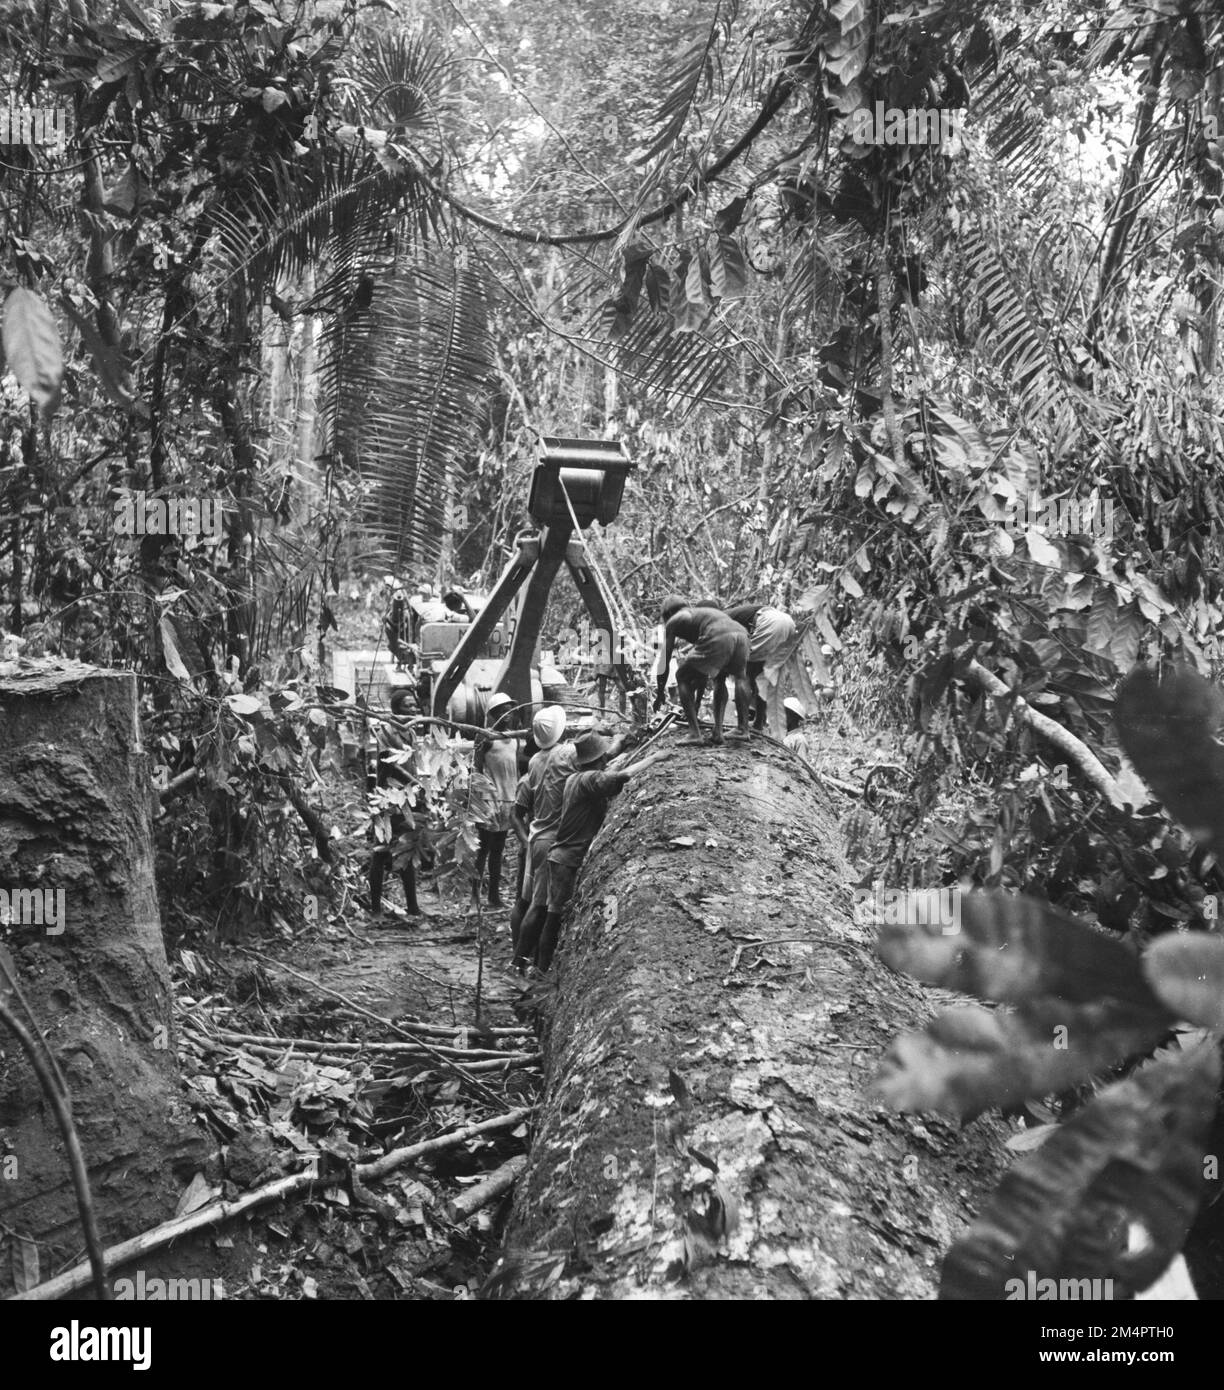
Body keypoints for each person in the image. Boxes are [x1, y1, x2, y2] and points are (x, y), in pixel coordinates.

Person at [532, 731, 667, 971]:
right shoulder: (588, 780)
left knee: (553, 916)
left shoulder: (576, 777)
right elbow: (621, 775)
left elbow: (611, 767)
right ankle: (541, 972)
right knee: (553, 918)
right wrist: (654, 759)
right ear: (597, 759)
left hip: (562, 856)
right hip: (565, 858)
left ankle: (540, 969)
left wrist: (622, 744)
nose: (607, 759)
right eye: (603, 756)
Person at [510, 705, 574, 960]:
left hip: (536, 836)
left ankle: (521, 955)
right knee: (540, 906)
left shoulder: (534, 762)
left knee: (525, 901)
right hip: (553, 840)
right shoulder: (568, 754)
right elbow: (598, 758)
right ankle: (519, 962)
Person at [654, 595, 752, 745]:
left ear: (667, 614)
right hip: (742, 634)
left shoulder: (676, 619)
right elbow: (703, 671)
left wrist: (660, 692)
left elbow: (664, 659)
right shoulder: (702, 614)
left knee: (682, 676)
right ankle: (736, 730)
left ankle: (694, 733)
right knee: (734, 677)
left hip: (718, 634)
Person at [472, 692, 518, 908]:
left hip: (509, 799)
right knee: (484, 849)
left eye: (509, 710)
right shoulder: (485, 737)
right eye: (502, 711)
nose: (507, 715)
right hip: (490, 800)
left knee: (498, 851)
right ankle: (474, 898)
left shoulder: (514, 737)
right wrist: (478, 798)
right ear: (493, 714)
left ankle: (493, 896)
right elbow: (476, 768)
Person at [723, 601, 799, 730]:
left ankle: (742, 729)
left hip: (770, 624)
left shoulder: (719, 619)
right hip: (789, 623)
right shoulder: (732, 616)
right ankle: (759, 722)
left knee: (742, 673)